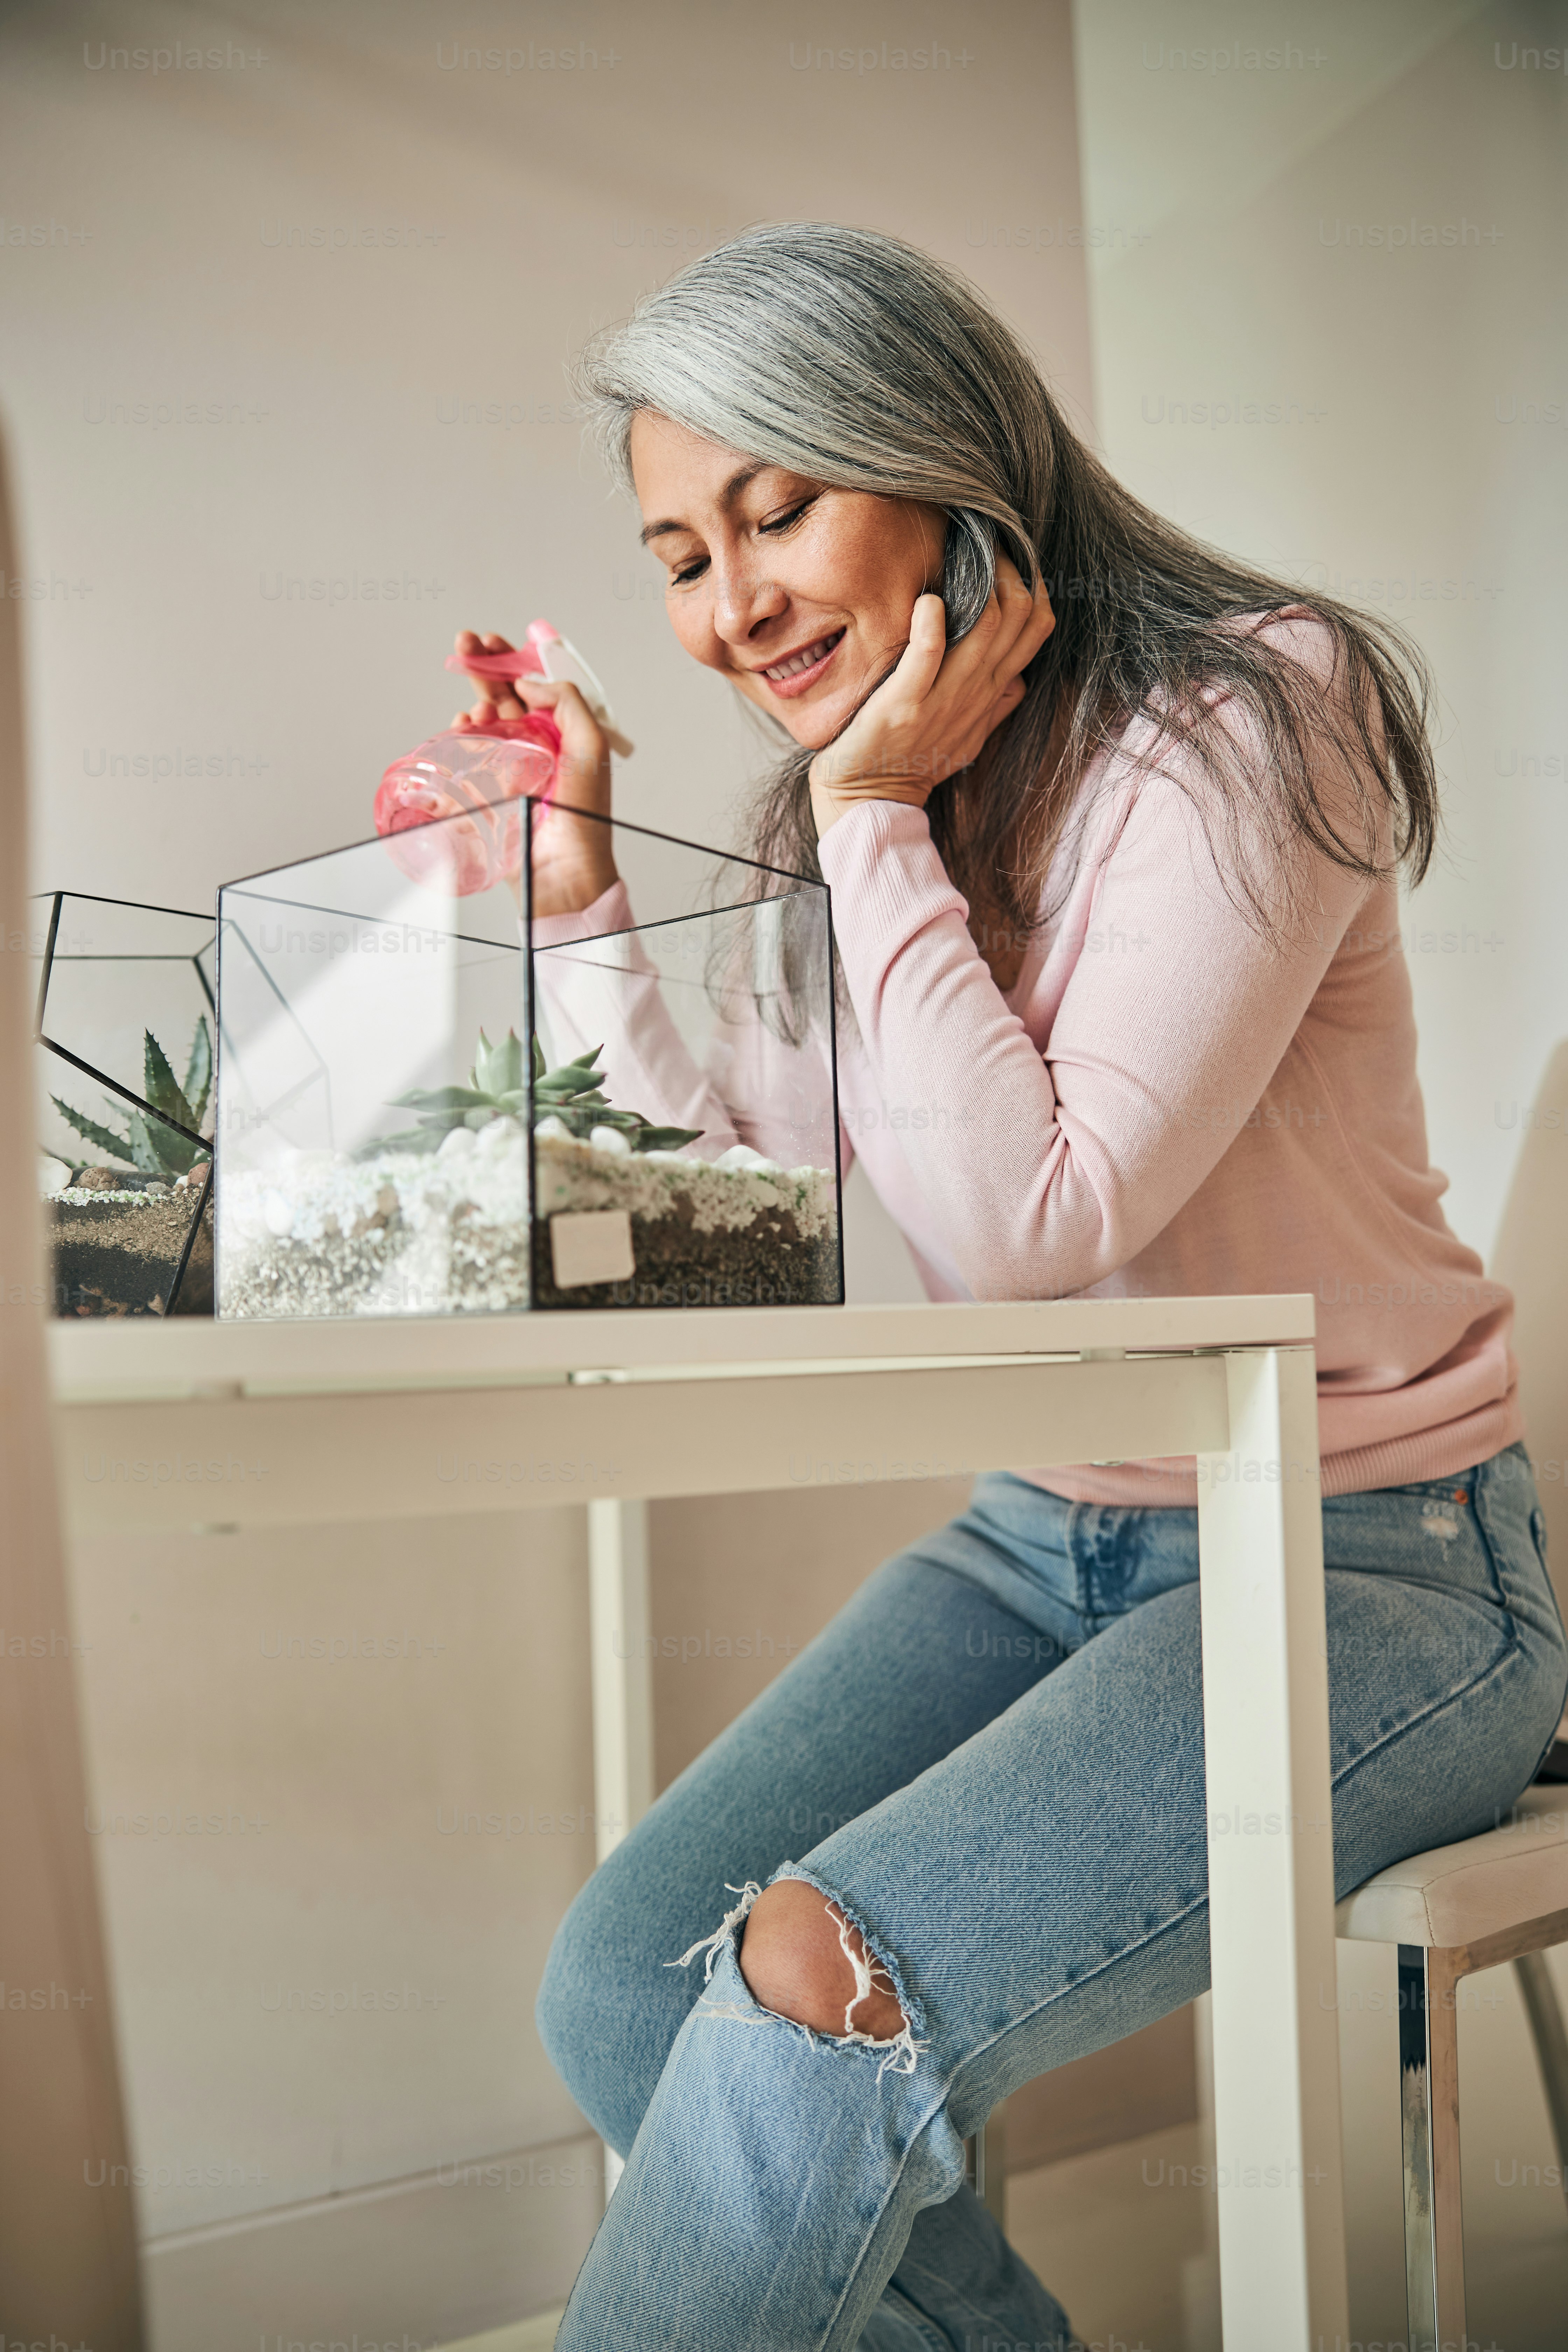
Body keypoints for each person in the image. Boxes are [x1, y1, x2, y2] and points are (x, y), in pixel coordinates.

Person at [455, 224, 1566, 2350]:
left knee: (806, 1965)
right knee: (623, 1975)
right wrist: (590, 905)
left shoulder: (1252, 712)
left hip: (1372, 1566)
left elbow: (1043, 1214)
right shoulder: (846, 817)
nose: (731, 603)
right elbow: (754, 1228)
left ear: (941, 464)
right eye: (680, 555)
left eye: (778, 508)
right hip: (1040, 1538)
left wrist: (870, 811)